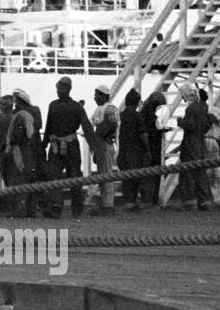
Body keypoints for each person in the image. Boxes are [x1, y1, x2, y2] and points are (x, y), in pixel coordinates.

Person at [42, 76, 95, 218]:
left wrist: (95, 148)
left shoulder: (76, 107)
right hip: (56, 146)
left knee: (74, 176)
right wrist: (44, 144)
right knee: (54, 176)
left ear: (69, 89)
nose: (59, 91)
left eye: (62, 88)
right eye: (58, 88)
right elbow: (49, 126)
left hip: (70, 146)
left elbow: (87, 127)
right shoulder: (54, 105)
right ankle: (56, 206)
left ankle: (77, 207)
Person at [5, 89, 43, 218]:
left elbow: (18, 135)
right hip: (34, 148)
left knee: (20, 178)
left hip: (22, 150)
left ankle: (20, 210)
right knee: (32, 179)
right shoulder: (34, 111)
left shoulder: (20, 115)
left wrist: (11, 143)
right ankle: (31, 209)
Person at [174, 83, 213, 211]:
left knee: (186, 173)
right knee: (201, 173)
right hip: (200, 142)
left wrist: (180, 122)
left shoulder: (190, 109)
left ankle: (189, 202)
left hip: (190, 144)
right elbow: (207, 125)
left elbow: (190, 125)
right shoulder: (204, 107)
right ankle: (205, 200)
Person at [89, 84, 119, 213]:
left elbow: (112, 124)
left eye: (97, 95)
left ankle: (108, 205)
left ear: (103, 96)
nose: (95, 97)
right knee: (102, 175)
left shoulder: (110, 109)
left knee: (106, 175)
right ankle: (105, 202)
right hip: (101, 145)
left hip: (105, 145)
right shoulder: (99, 109)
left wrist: (100, 136)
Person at [117, 88, 149, 211]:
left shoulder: (121, 115)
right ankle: (132, 202)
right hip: (135, 151)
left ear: (126, 102)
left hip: (123, 151)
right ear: (136, 103)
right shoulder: (137, 116)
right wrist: (148, 149)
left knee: (125, 178)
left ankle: (128, 202)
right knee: (135, 177)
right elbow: (143, 135)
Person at [202, 90, 220, 210]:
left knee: (209, 172)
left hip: (205, 140)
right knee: (215, 172)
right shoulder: (213, 109)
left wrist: (216, 118)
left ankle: (216, 199)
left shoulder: (208, 110)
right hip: (213, 140)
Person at [140, 89, 168, 207]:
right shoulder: (150, 114)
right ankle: (152, 198)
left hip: (148, 147)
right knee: (154, 172)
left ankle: (148, 198)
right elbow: (152, 129)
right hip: (153, 146)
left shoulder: (144, 113)